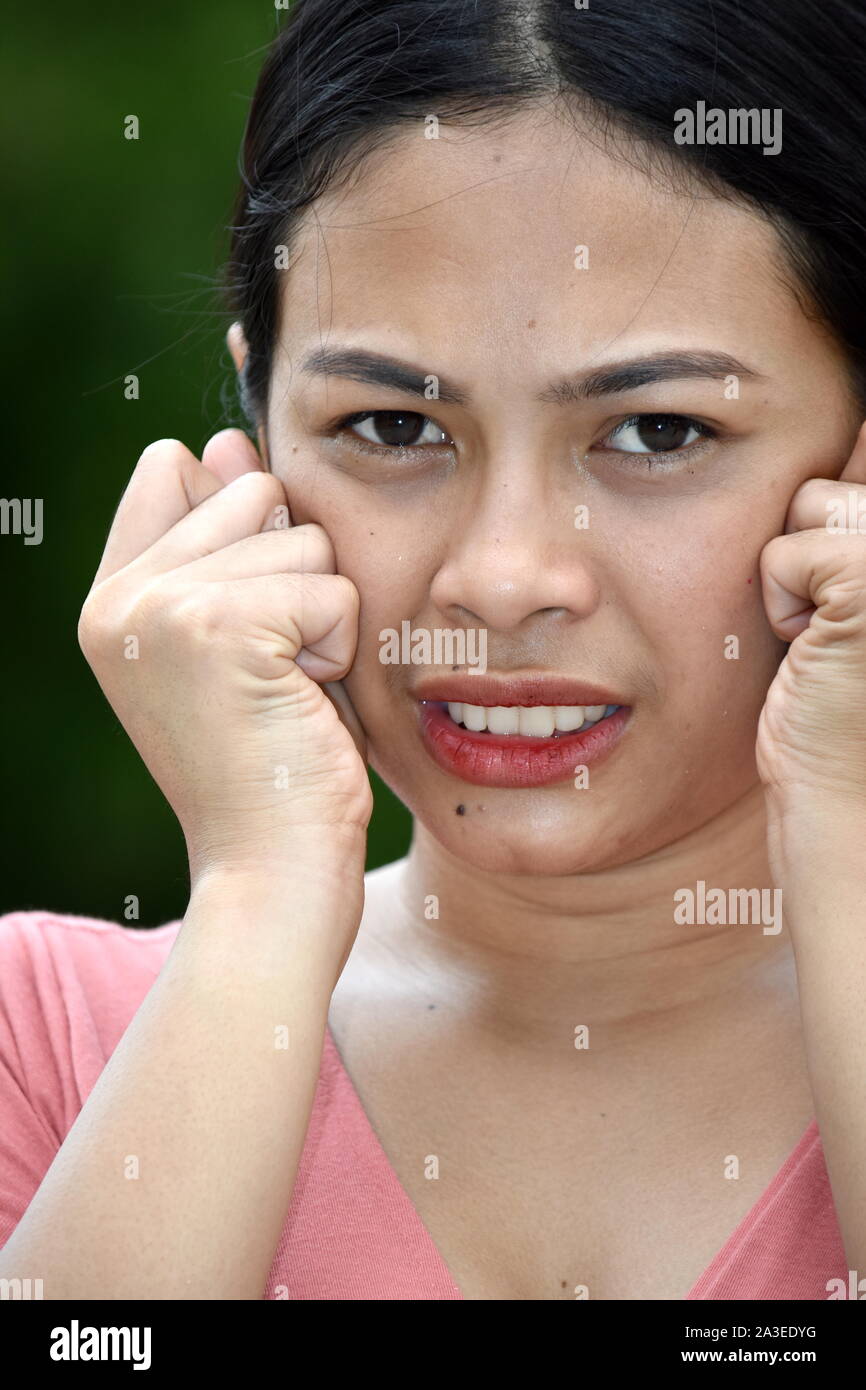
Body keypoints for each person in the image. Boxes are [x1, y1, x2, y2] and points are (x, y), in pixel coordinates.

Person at [2, 0, 866, 1300]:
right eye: (394, 428)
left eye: (656, 433)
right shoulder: (50, 1038)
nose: (502, 578)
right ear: (257, 431)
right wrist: (257, 891)